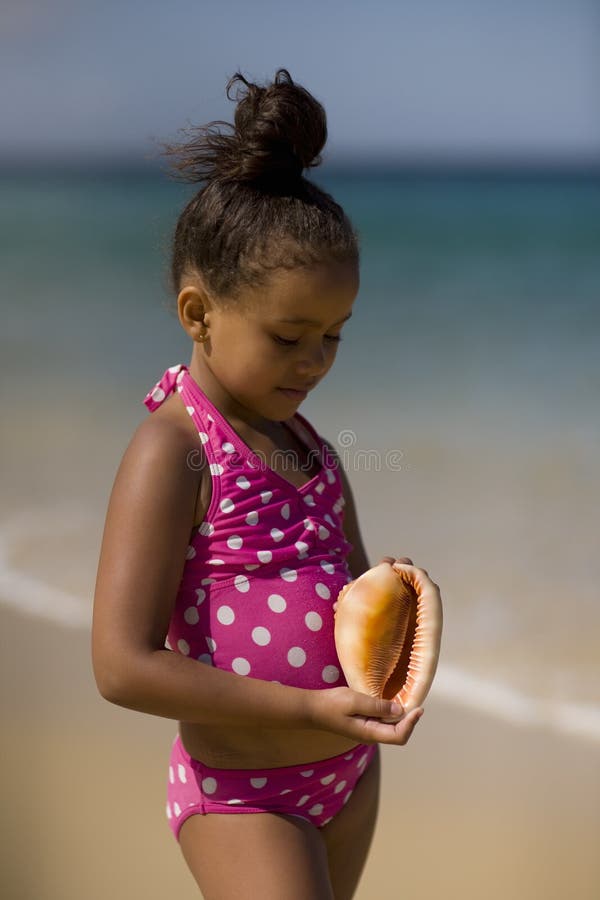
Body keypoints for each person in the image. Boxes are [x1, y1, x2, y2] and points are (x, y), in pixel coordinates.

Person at [92, 68, 427, 900]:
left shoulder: (315, 451)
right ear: (198, 312)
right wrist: (308, 712)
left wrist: (392, 600)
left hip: (347, 778)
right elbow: (121, 665)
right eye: (288, 336)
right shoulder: (174, 452)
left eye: (334, 336)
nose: (314, 362)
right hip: (240, 797)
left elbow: (350, 603)